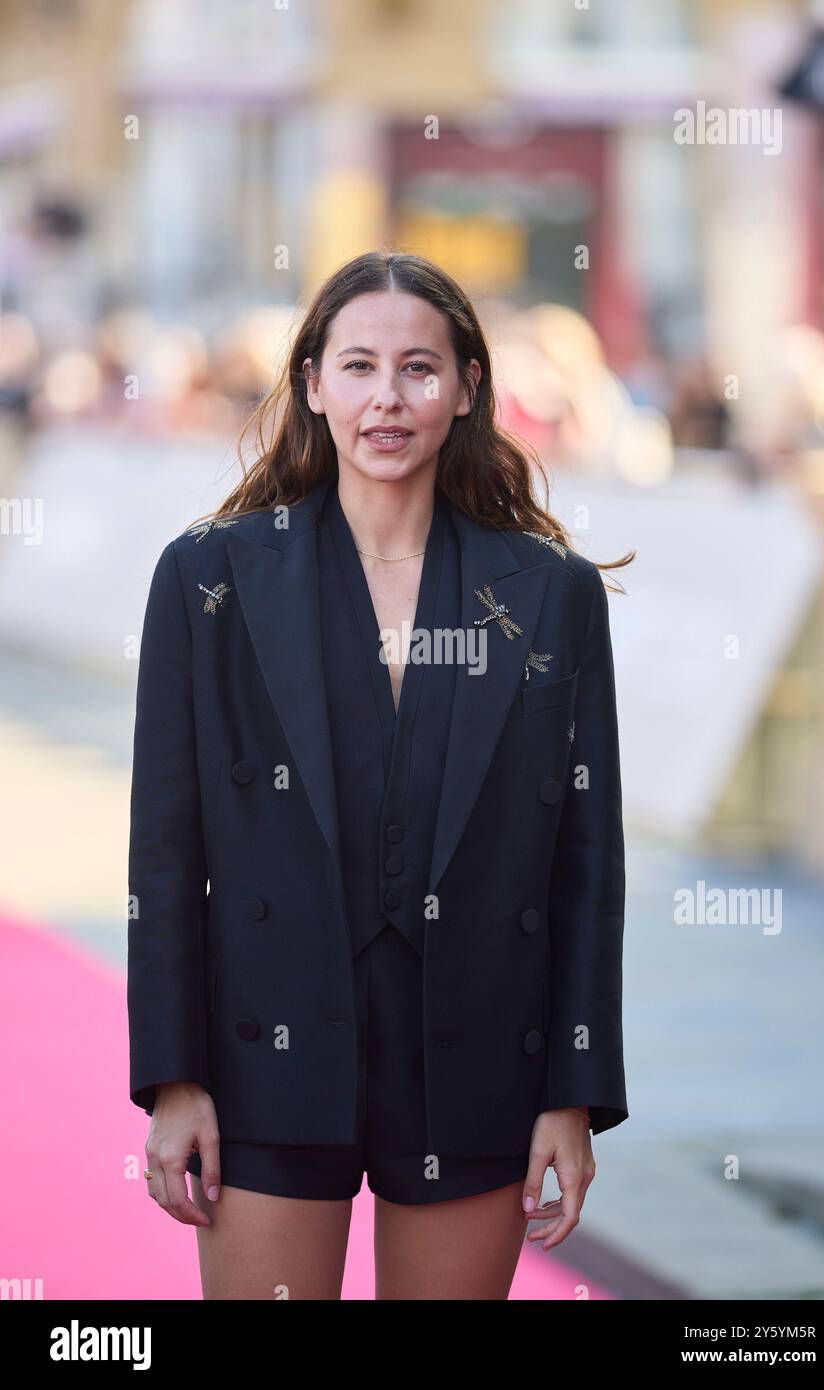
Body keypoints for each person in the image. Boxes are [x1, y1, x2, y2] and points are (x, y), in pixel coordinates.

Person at [127, 250, 632, 1300]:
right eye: (357, 366)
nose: (387, 399)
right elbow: (165, 850)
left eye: (418, 368)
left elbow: (585, 867)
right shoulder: (208, 576)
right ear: (312, 385)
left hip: (480, 1055)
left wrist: (571, 1096)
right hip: (268, 1045)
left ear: (464, 389)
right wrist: (173, 1081)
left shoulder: (549, 593)